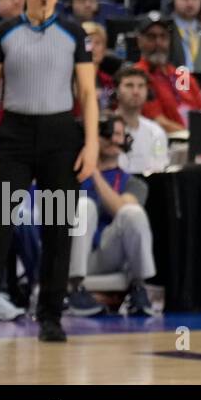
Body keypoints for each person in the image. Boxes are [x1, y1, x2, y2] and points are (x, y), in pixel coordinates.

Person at [0, 0, 99, 343]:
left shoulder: (72, 33)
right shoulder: (2, 32)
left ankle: (51, 316)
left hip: (60, 136)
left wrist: (93, 143)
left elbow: (86, 93)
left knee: (57, 229)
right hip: (14, 136)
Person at [67, 114, 156, 316]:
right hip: (71, 253)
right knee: (83, 205)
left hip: (106, 254)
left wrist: (95, 172)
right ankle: (75, 288)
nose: (114, 139)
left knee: (132, 213)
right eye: (107, 133)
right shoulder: (71, 176)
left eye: (119, 135)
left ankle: (139, 287)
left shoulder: (134, 183)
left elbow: (120, 209)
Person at [111, 65, 170, 175]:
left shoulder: (156, 132)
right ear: (116, 91)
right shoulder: (105, 130)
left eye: (141, 86)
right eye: (129, 85)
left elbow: (160, 169)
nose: (136, 91)